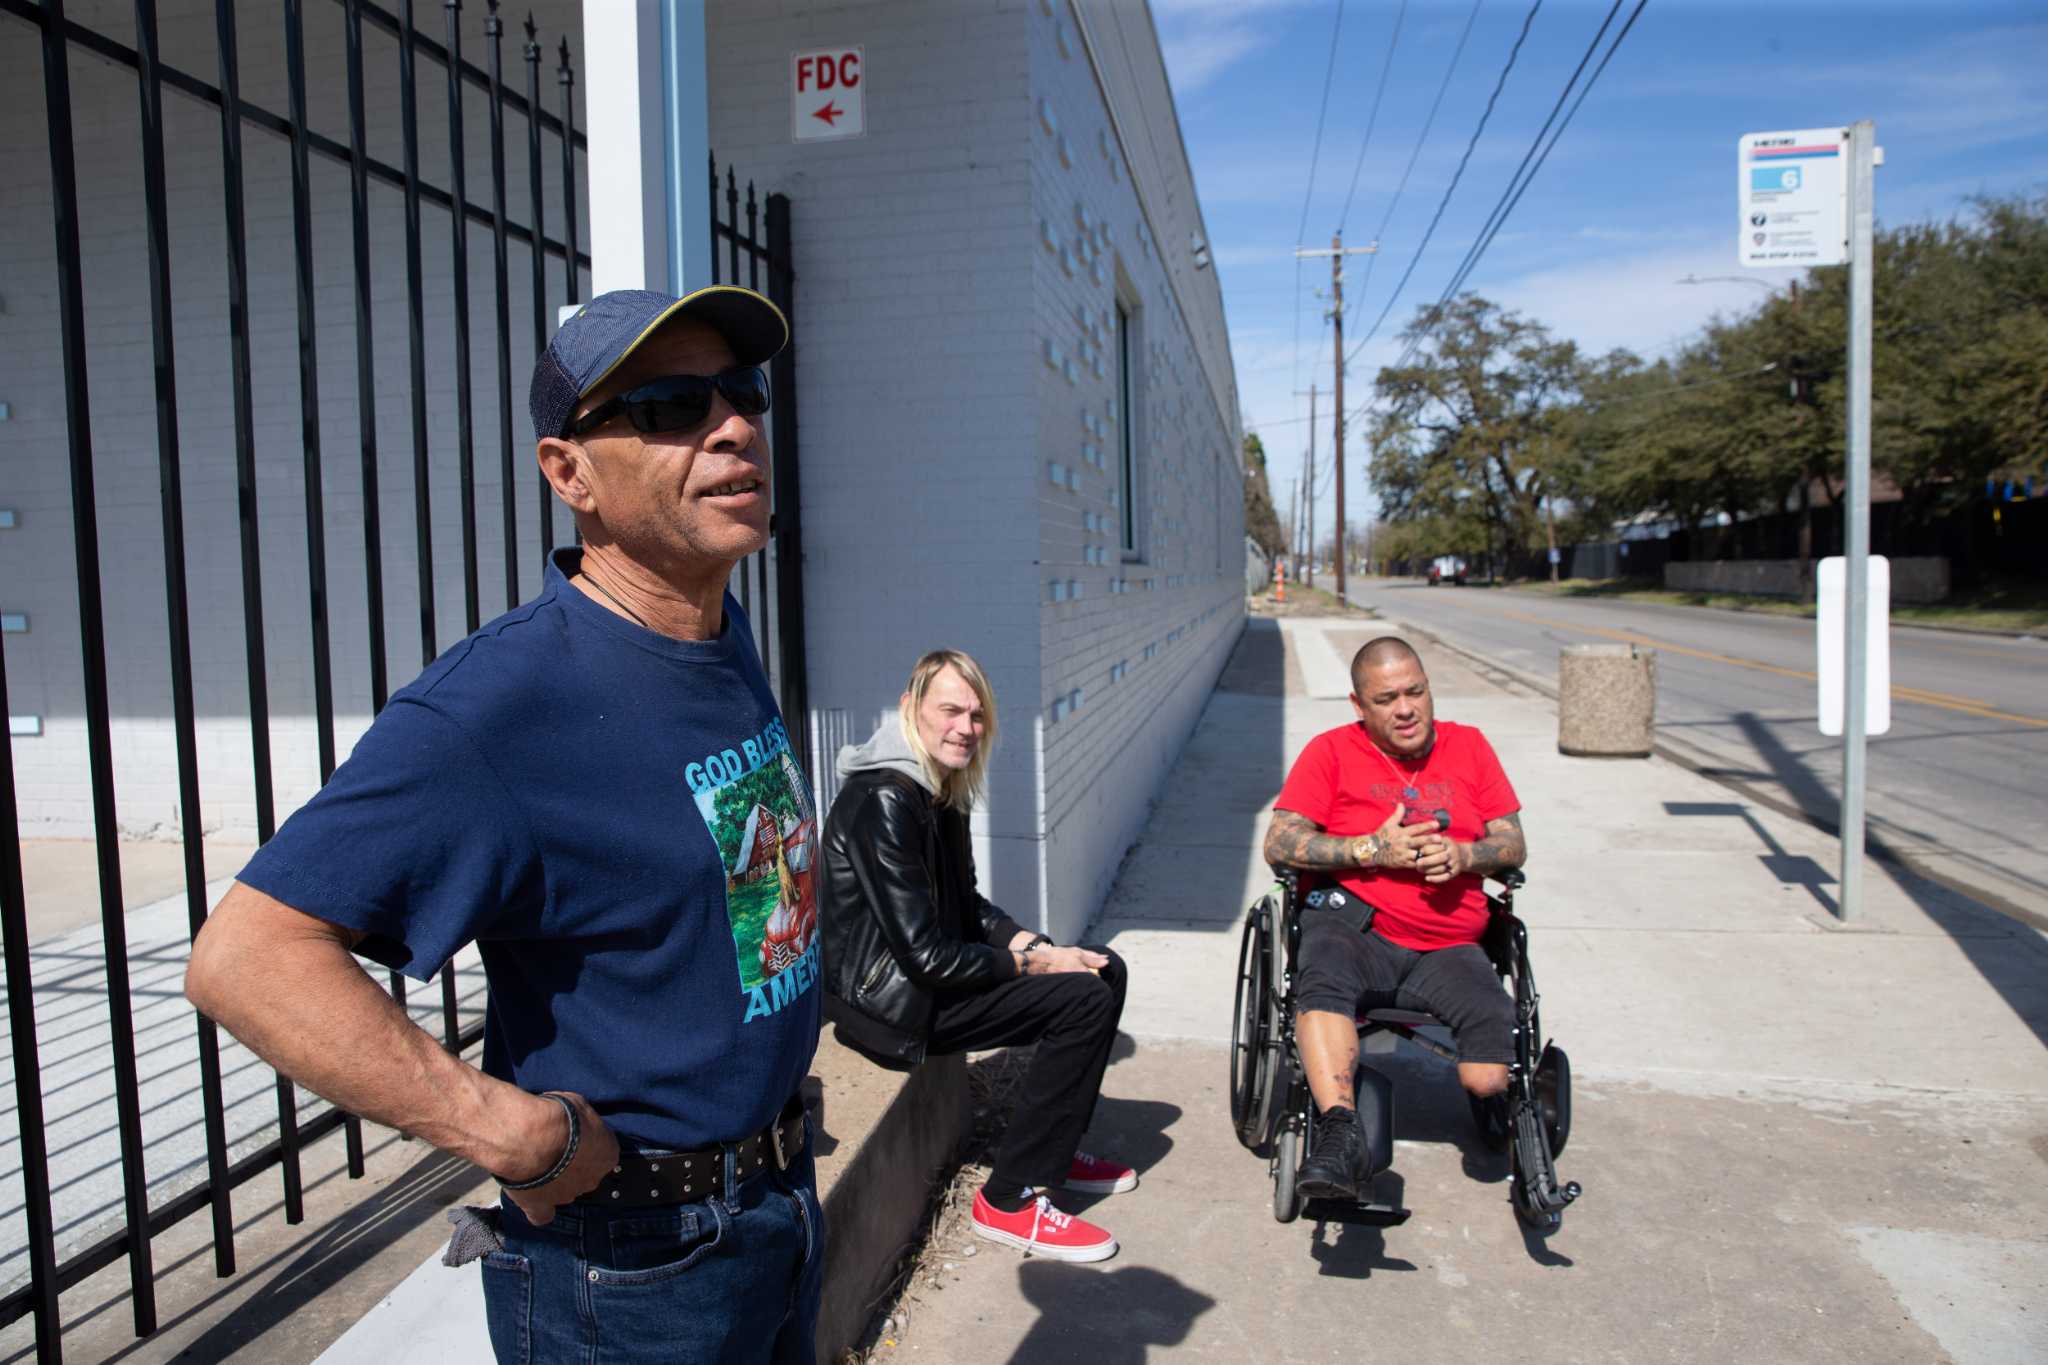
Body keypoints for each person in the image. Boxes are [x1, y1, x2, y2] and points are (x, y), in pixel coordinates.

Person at [185, 286, 827, 1364]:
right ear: (567, 472)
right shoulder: (495, 710)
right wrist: (504, 1130)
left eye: (741, 391)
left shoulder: (718, 631)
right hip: (633, 1270)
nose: (732, 425)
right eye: (670, 404)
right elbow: (247, 959)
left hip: (779, 1207)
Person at [817, 650, 1134, 1263]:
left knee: (1102, 967)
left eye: (977, 713)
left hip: (929, 982)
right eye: (951, 710)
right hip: (890, 1004)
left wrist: (1039, 946)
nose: (966, 725)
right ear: (910, 709)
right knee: (1080, 1001)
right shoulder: (885, 798)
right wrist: (1034, 967)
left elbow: (969, 908)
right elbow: (925, 957)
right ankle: (1010, 1200)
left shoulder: (940, 789)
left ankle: (1055, 1152)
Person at [1261, 636, 1527, 1200]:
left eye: (1415, 691)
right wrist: (1370, 850)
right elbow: (1280, 843)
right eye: (1387, 698)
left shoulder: (1470, 746)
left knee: (1485, 1079)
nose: (1406, 708)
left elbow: (1512, 844)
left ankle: (1490, 1095)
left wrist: (1464, 855)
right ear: (1360, 706)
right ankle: (1339, 1135)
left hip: (1451, 945)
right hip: (1358, 928)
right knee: (1322, 973)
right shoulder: (1331, 752)